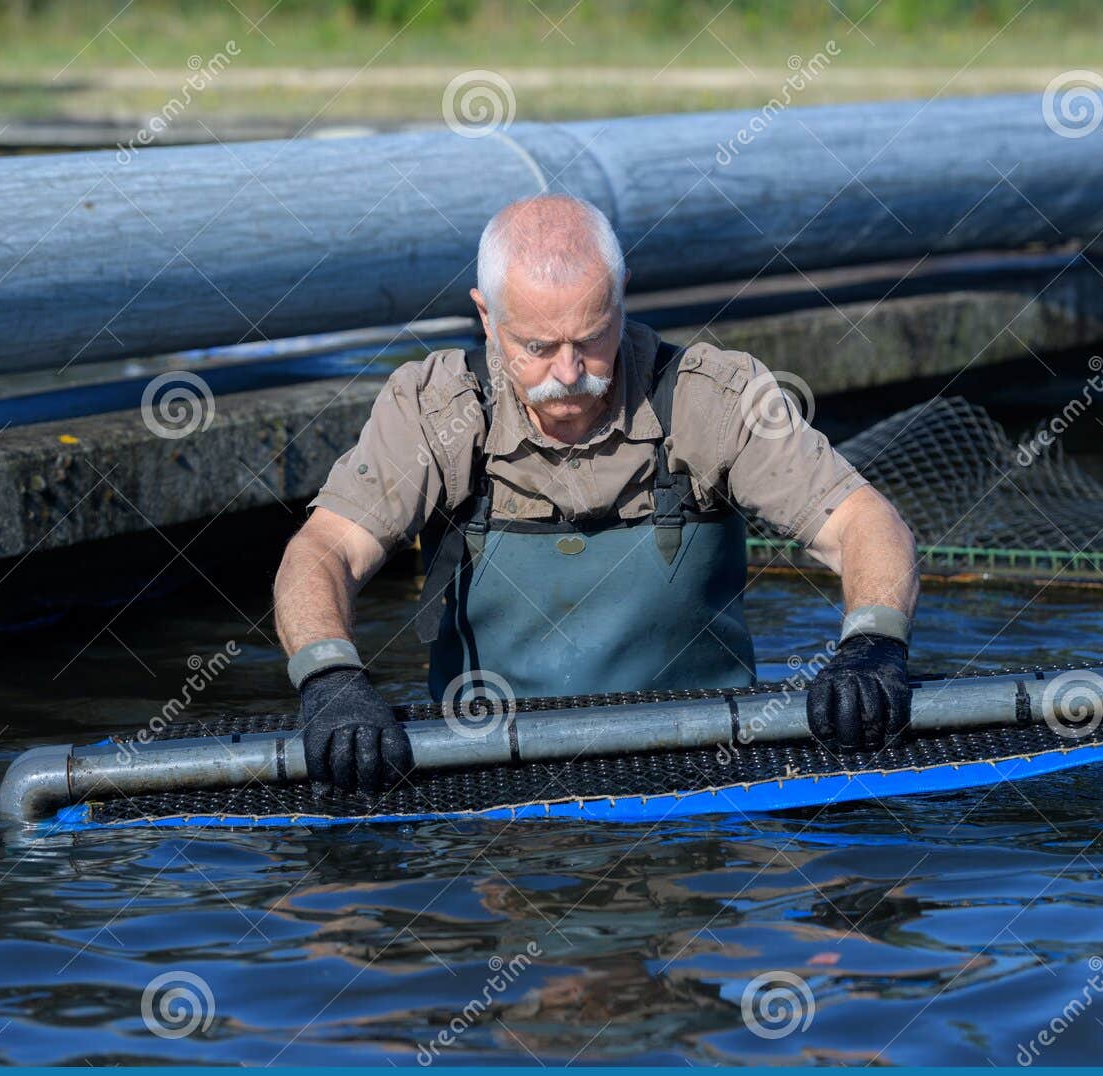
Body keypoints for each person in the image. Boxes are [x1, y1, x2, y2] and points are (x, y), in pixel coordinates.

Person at [273, 194, 920, 792]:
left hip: (707, 776)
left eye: (591, 338)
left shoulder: (712, 397)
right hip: (484, 776)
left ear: (622, 298)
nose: (568, 373)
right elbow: (325, 549)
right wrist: (331, 679)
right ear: (484, 316)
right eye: (537, 346)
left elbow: (863, 520)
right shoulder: (435, 408)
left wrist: (872, 642)